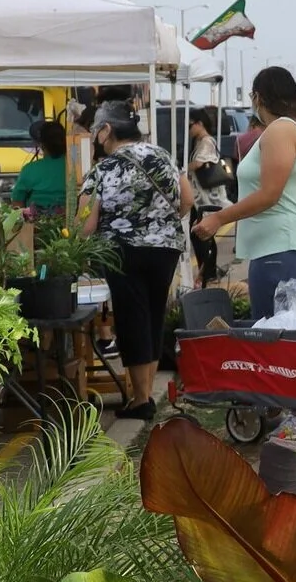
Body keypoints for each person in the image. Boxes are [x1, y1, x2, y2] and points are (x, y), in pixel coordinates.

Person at [195, 68, 296, 319]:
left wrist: (219, 219)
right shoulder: (289, 129)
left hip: (284, 247)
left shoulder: (280, 130)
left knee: (280, 341)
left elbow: (270, 193)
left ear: (258, 97)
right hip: (287, 247)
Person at [79, 112, 189, 416]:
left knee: (131, 318)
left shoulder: (104, 167)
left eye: (96, 131)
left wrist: (77, 246)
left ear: (107, 131)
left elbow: (87, 221)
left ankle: (141, 400)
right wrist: (160, 225)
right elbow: (188, 198)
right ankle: (145, 394)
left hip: (123, 250)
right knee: (153, 315)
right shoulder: (163, 155)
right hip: (165, 248)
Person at [185, 108, 231, 283]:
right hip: (199, 197)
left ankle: (208, 273)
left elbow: (198, 163)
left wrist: (183, 169)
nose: (188, 130)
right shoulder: (199, 141)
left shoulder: (207, 141)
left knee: (203, 235)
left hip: (206, 197)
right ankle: (207, 272)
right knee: (201, 235)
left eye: (190, 125)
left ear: (199, 124)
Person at [12, 117, 68, 217]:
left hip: (35, 226)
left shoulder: (30, 169)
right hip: (69, 226)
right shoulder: (76, 168)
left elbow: (17, 203)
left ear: (42, 144)